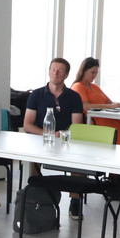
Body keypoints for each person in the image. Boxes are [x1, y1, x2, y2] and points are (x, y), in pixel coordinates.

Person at [23, 57, 86, 218]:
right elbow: (27, 125)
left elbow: (77, 126)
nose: (55, 73)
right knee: (31, 156)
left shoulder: (74, 97)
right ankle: (35, 196)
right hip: (41, 140)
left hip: (66, 141)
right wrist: (48, 134)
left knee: (78, 158)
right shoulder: (36, 95)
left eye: (60, 71)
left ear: (66, 75)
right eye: (53, 69)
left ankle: (75, 200)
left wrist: (62, 136)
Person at [71, 56, 120, 145]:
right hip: (96, 120)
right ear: (83, 71)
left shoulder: (94, 87)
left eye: (96, 73)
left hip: (108, 117)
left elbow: (108, 101)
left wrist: (118, 105)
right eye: (92, 72)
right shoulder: (78, 86)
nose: (94, 75)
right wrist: (110, 106)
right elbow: (86, 106)